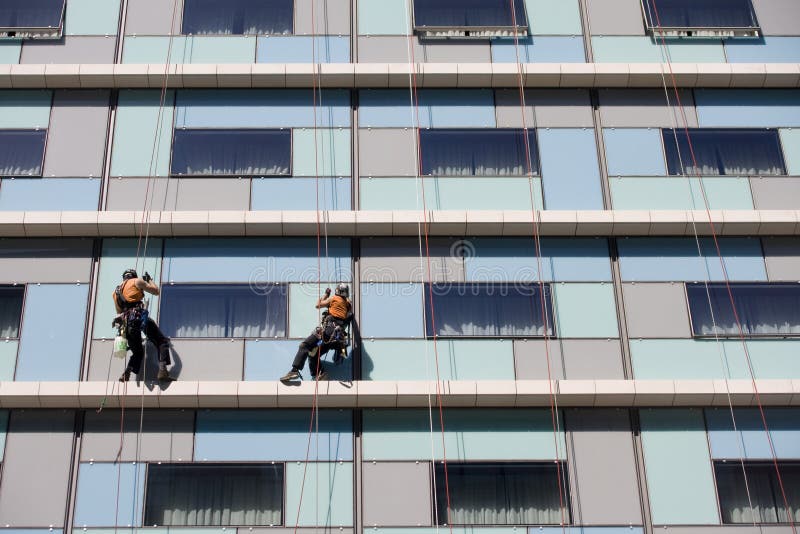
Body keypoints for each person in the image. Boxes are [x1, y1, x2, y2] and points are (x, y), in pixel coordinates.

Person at [112, 269, 175, 383]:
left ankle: (128, 371)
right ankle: (162, 371)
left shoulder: (116, 292)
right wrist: (149, 280)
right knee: (161, 341)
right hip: (138, 318)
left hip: (126, 324)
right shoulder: (137, 281)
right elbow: (156, 291)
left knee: (138, 352)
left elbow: (119, 311)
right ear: (133, 276)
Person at [281, 283, 352, 382]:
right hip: (336, 339)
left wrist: (326, 294)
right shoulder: (348, 304)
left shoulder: (334, 298)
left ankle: (294, 370)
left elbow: (318, 305)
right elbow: (348, 313)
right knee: (313, 353)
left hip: (327, 333)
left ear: (338, 291)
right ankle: (320, 373)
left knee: (304, 346)